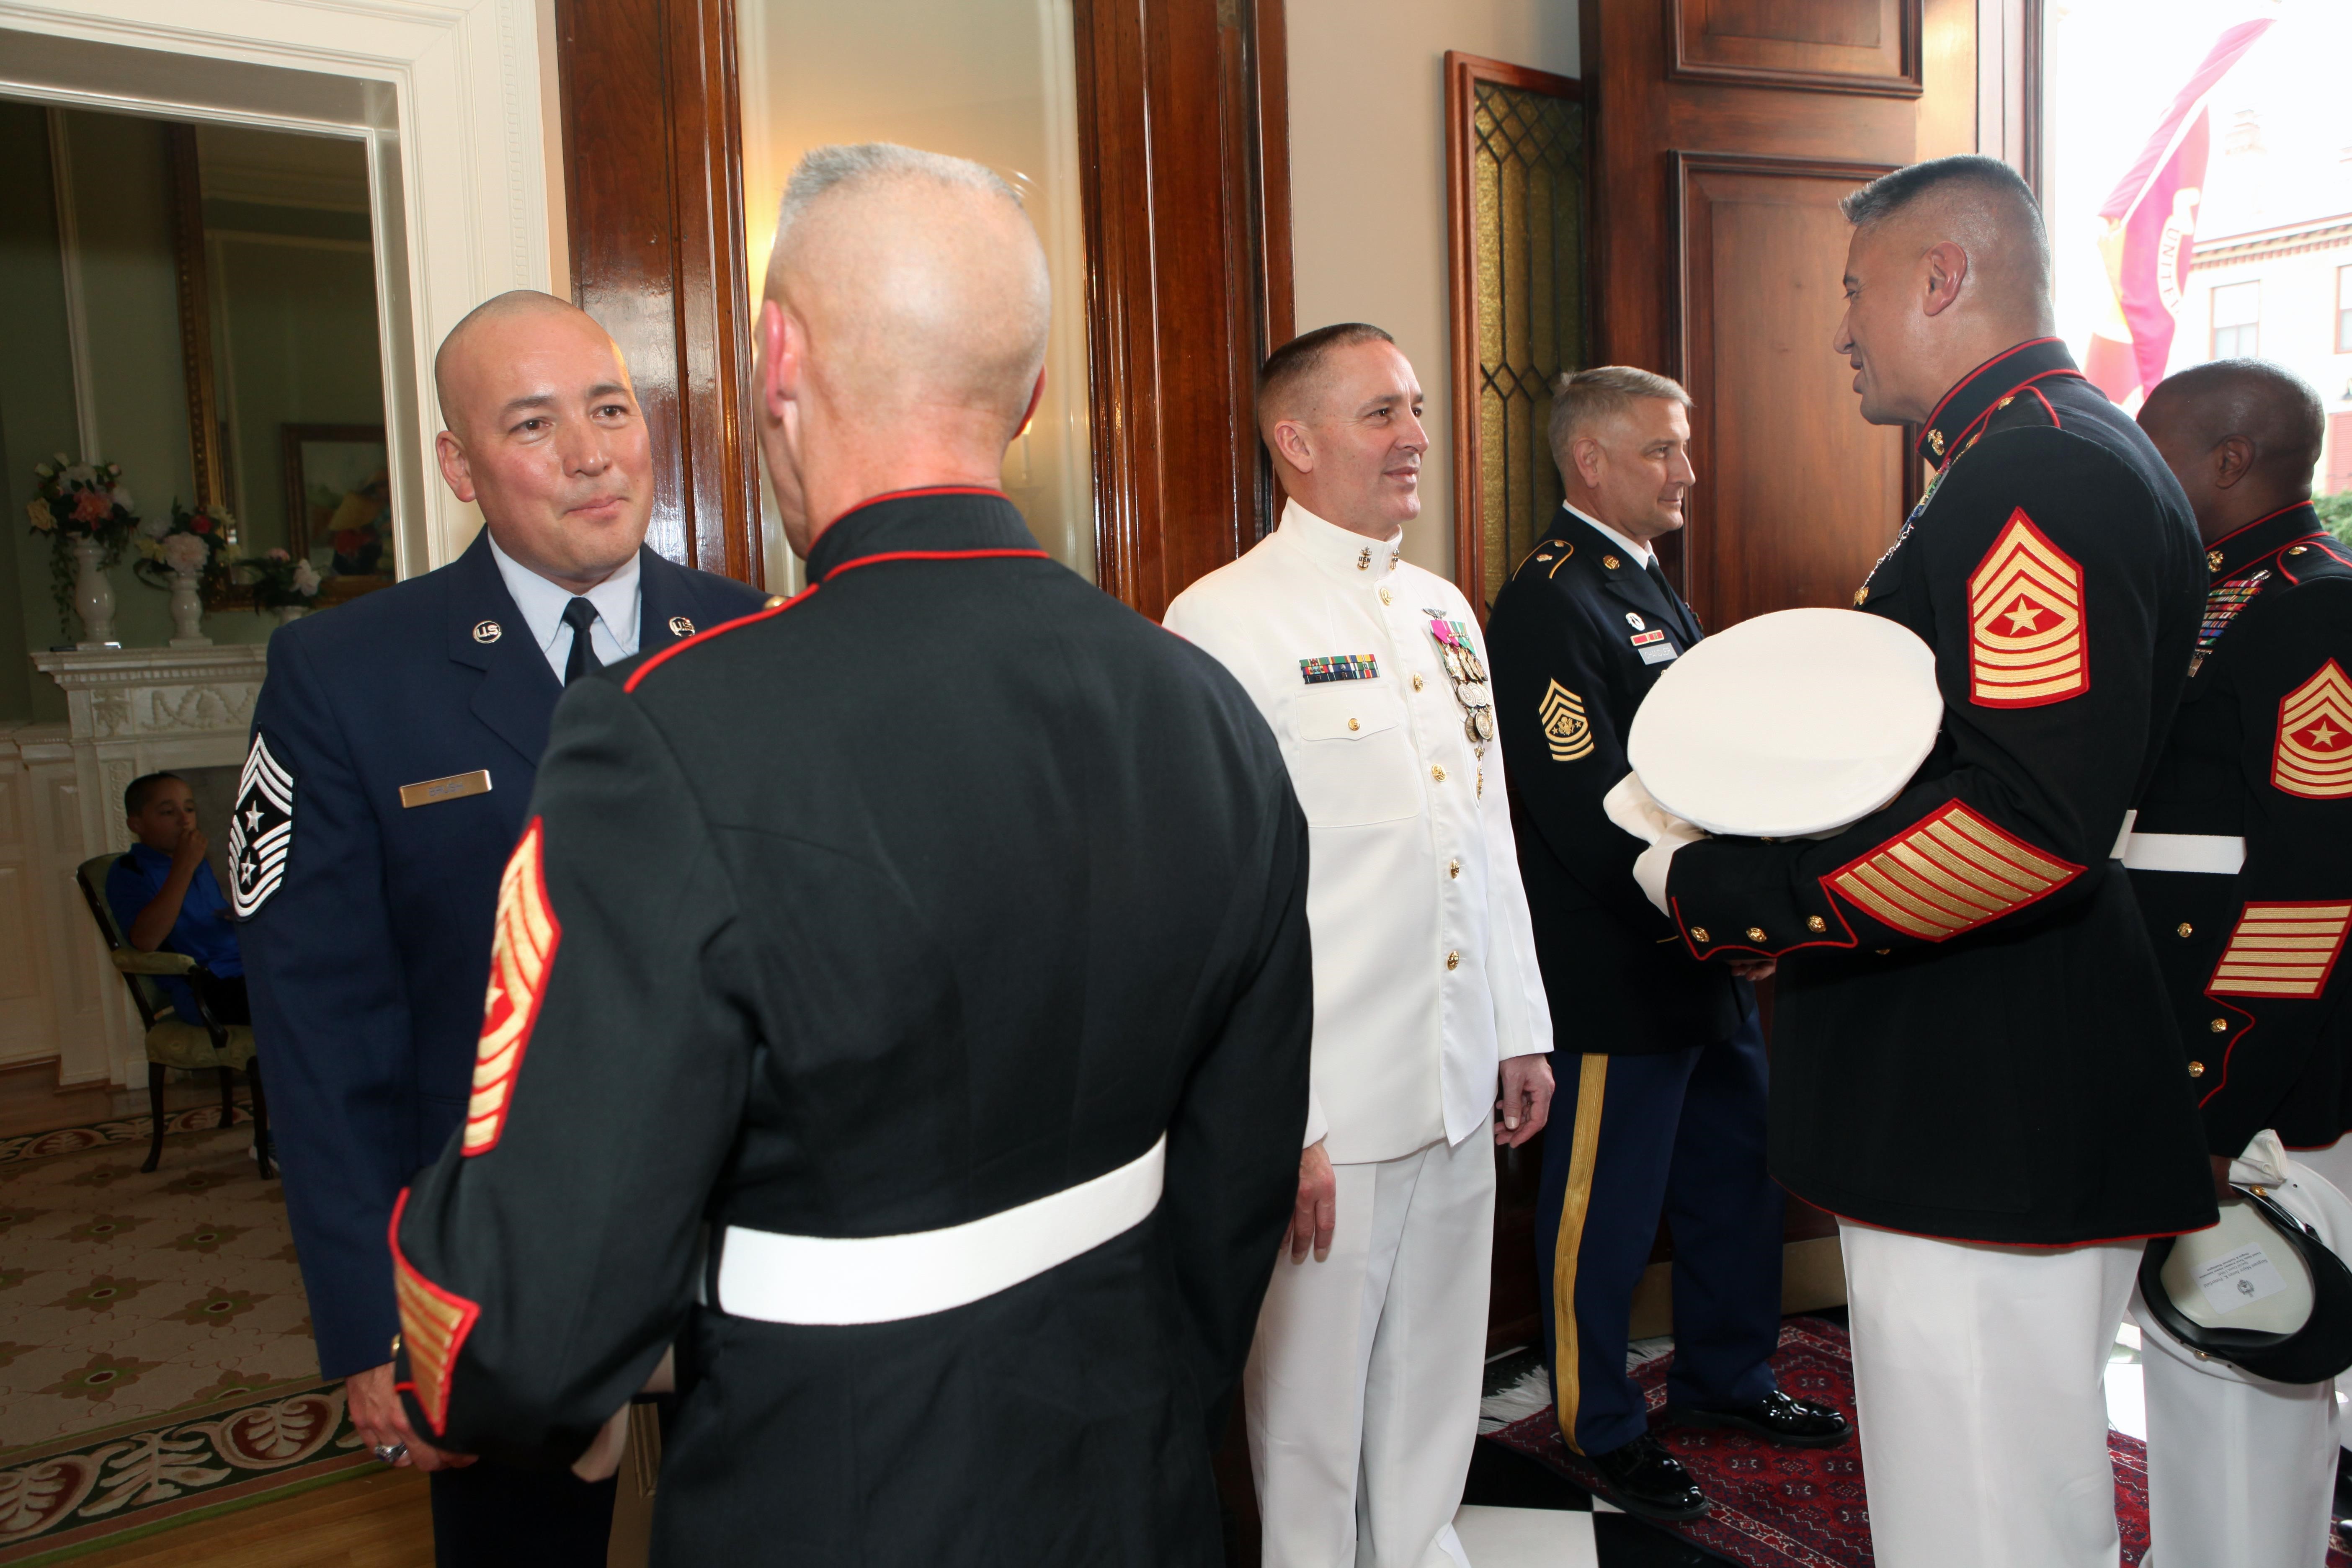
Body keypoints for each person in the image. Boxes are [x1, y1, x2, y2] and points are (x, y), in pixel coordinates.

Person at [385, 144, 1313, 1565]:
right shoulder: (1200, 707)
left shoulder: (668, 735)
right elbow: (1239, 1171)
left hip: (832, 1479)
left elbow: (526, 1320)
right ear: (1030, 392)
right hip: (1135, 1461)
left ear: (777, 358)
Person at [1609, 154, 2217, 1567]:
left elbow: (2023, 818)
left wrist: (1752, 898)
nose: (1838, 327)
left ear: (1939, 279)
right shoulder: (2029, 451)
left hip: (1987, 1083)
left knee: (1989, 1508)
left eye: (1852, 290)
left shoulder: (2035, 470)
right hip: (1982, 1071)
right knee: (1971, 1489)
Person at [237, 289, 765, 1564]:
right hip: (500, 1273)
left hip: (750, 1266)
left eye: (610, 409)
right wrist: (376, 1323)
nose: (593, 454)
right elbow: (323, 1035)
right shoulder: (346, 673)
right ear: (457, 466)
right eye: (535, 425)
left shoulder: (754, 638)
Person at [1163, 322, 1555, 1568]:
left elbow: (1483, 833)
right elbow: (1225, 903)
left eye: (1418, 409)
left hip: (1452, 1071)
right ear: (1296, 439)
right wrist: (1289, 1117)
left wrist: (1520, 1029)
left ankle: (1422, 1548)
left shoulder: (1443, 612)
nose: (1418, 439)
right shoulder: (1224, 620)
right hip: (1330, 1094)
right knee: (1313, 1412)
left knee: (1438, 1375)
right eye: (1383, 413)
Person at [1485, 366, 1848, 1521]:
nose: (1687, 471)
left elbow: (1706, 771)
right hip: (1617, 968)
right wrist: (1714, 912)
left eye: (1684, 448)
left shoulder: (1644, 588)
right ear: (1589, 461)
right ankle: (1600, 1424)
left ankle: (1727, 1378)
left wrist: (1743, 913)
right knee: (1605, 1210)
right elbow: (1586, 800)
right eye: (1661, 450)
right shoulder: (1551, 600)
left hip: (1702, 957)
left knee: (1732, 1183)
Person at [2128, 358, 2352, 1568]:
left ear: (2231, 459)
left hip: (2263, 1069)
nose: (2139, 472)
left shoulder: (2321, 606)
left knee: (2254, 1345)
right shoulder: (2207, 593)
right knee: (2188, 1348)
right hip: (2178, 1042)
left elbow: (2306, 891)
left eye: (2158, 448)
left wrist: (2219, 1097)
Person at [107, 771, 248, 1027]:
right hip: (204, 986)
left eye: (190, 809)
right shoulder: (130, 870)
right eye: (168, 812)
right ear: (136, 825)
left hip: (243, 967)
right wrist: (183, 867)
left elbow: (208, 917)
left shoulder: (198, 864)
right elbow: (146, 940)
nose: (185, 821)